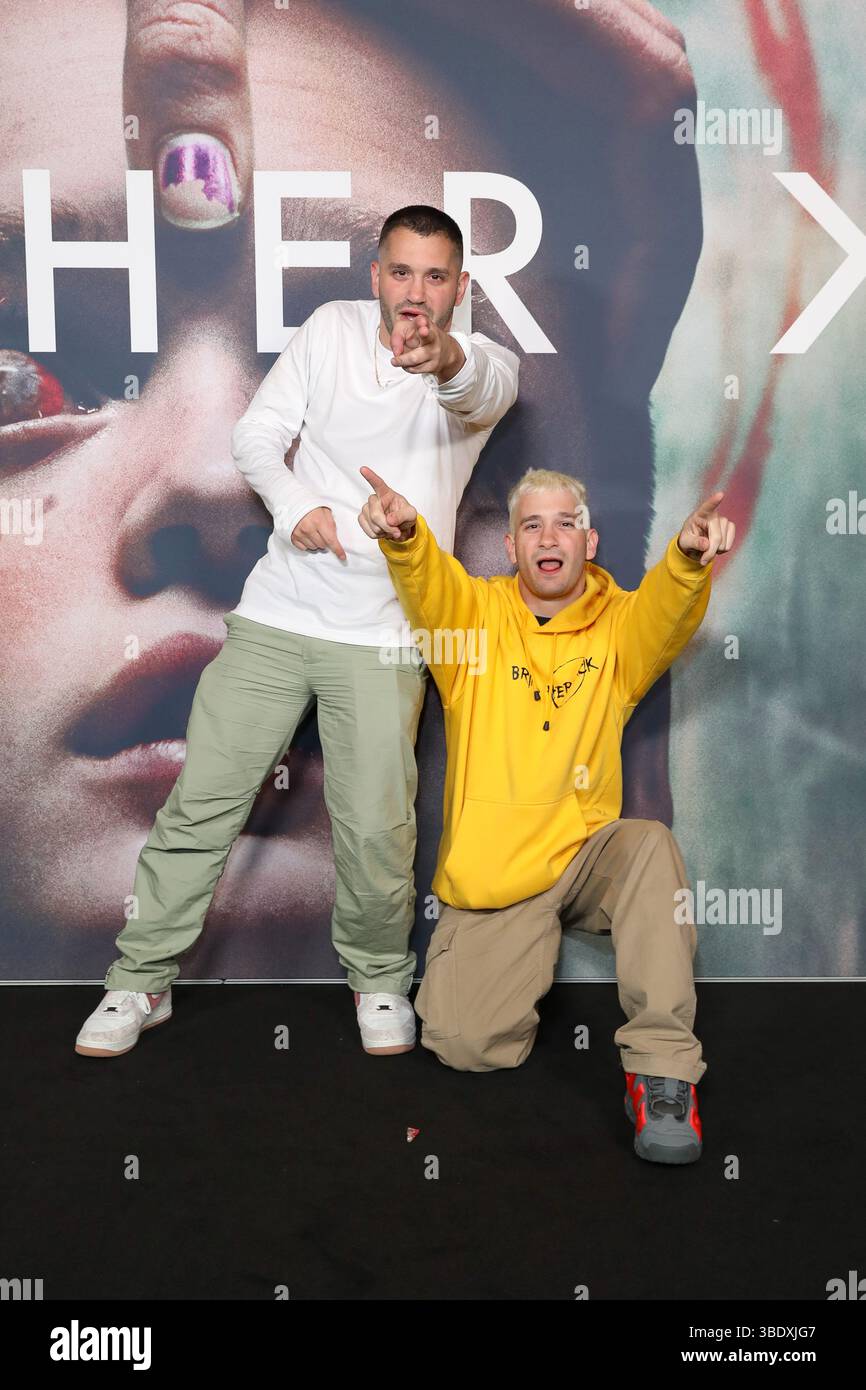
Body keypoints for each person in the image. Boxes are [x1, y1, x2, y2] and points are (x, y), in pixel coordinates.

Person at [74, 205, 519, 1058]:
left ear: (459, 287)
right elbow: (257, 437)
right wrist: (296, 506)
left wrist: (447, 358)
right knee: (202, 801)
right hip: (277, 617)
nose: (415, 295)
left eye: (435, 278)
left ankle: (380, 983)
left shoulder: (483, 366)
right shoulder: (327, 332)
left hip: (383, 637)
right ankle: (139, 984)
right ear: (378, 277)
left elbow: (477, 387)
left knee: (377, 823)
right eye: (400, 273)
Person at [358, 463, 735, 1164]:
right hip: (499, 872)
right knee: (465, 1046)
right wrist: (406, 538)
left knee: (650, 844)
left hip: (588, 853)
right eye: (532, 524)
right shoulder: (472, 621)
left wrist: (685, 558)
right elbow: (430, 586)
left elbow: (667, 609)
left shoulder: (620, 627)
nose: (549, 536)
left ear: (589, 542)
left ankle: (662, 1073)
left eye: (565, 522)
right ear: (511, 547)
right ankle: (514, 963)